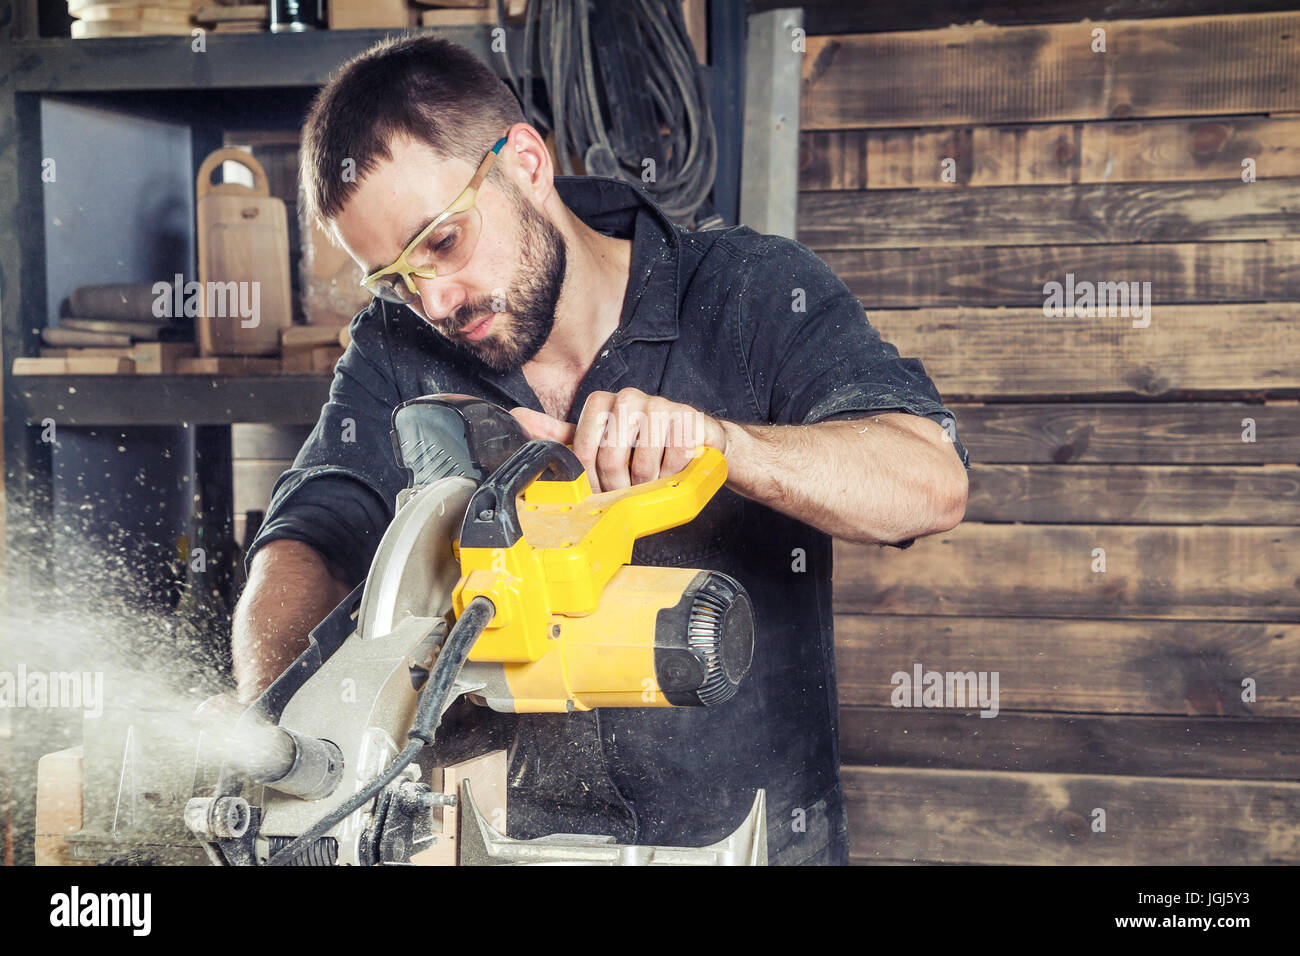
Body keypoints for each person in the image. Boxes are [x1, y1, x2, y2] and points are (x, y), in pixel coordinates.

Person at [233, 34, 969, 865]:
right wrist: (271, 731)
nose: (434, 299)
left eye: (442, 241)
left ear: (526, 162)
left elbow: (929, 479)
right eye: (395, 275)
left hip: (754, 846)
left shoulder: (747, 291)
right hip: (497, 848)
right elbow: (308, 538)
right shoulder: (396, 347)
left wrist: (723, 444)